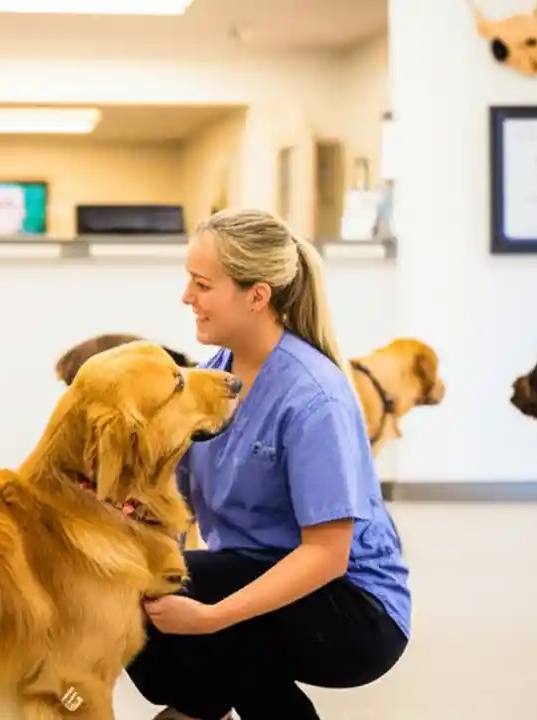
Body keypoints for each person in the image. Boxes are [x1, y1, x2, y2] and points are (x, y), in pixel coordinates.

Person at [127, 208, 411, 720]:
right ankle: (196, 704)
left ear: (257, 296)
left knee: (204, 601)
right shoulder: (212, 380)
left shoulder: (313, 397)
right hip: (260, 575)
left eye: (201, 284)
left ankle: (196, 707)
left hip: (355, 609)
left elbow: (327, 555)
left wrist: (210, 620)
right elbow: (174, 505)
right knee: (141, 584)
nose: (186, 297)